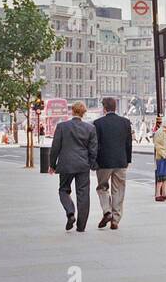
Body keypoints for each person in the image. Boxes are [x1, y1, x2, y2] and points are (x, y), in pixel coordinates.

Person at [49, 100, 97, 231]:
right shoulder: (90, 128)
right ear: (84, 113)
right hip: (83, 165)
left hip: (66, 164)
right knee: (83, 194)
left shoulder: (62, 126)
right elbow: (93, 149)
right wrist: (92, 164)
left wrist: (52, 164)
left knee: (63, 190)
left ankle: (70, 212)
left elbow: (55, 147)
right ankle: (81, 226)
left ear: (72, 111)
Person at [94, 97, 133, 230]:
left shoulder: (98, 123)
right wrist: (127, 160)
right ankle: (115, 220)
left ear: (104, 108)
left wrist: (94, 161)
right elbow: (128, 143)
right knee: (119, 190)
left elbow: (96, 145)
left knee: (102, 188)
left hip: (104, 162)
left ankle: (107, 211)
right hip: (121, 161)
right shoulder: (125, 122)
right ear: (115, 107)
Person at [153, 118, 166, 201]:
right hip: (162, 157)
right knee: (161, 176)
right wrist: (164, 153)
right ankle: (158, 194)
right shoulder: (160, 132)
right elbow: (157, 144)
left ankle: (164, 193)